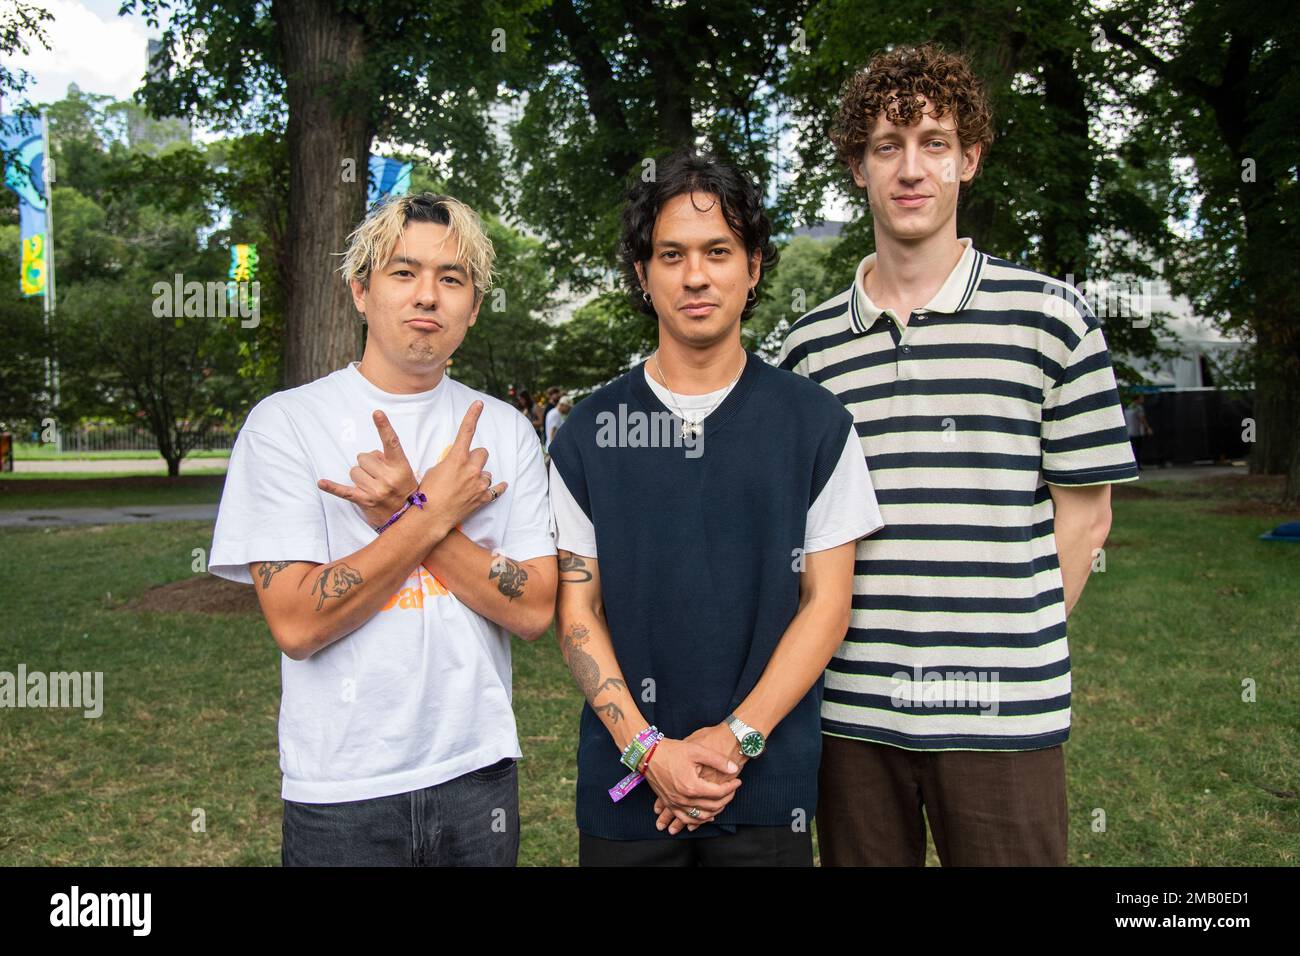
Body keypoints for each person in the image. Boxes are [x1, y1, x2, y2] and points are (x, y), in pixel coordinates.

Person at [778, 44, 1137, 866]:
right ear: (857, 168)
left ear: (968, 159)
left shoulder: (1052, 319)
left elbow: (1084, 521)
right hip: (851, 714)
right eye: (887, 146)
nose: (911, 168)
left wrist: (1001, 648)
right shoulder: (807, 350)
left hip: (1004, 715)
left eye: (934, 142)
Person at [548, 149, 884, 866]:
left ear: (754, 266)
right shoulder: (588, 434)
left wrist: (733, 740)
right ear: (642, 274)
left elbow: (827, 605)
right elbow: (578, 613)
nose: (695, 275)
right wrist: (647, 751)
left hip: (763, 792)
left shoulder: (817, 426)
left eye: (717, 251)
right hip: (626, 795)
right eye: (671, 254)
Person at [209, 193, 558, 866]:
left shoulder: (506, 432)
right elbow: (298, 625)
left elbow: (537, 608)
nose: (428, 295)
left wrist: (404, 513)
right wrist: (427, 513)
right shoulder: (286, 425)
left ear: (473, 306)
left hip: (477, 772)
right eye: (403, 273)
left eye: (451, 278)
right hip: (342, 787)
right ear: (360, 290)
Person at [1124, 394, 1154, 471]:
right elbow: (1142, 419)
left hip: (1129, 431)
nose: (1142, 400)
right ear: (1137, 399)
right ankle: (1137, 465)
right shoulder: (1138, 408)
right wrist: (1148, 428)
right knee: (1138, 449)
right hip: (1137, 432)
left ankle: (1132, 465)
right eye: (1141, 399)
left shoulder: (1128, 407)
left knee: (1133, 449)